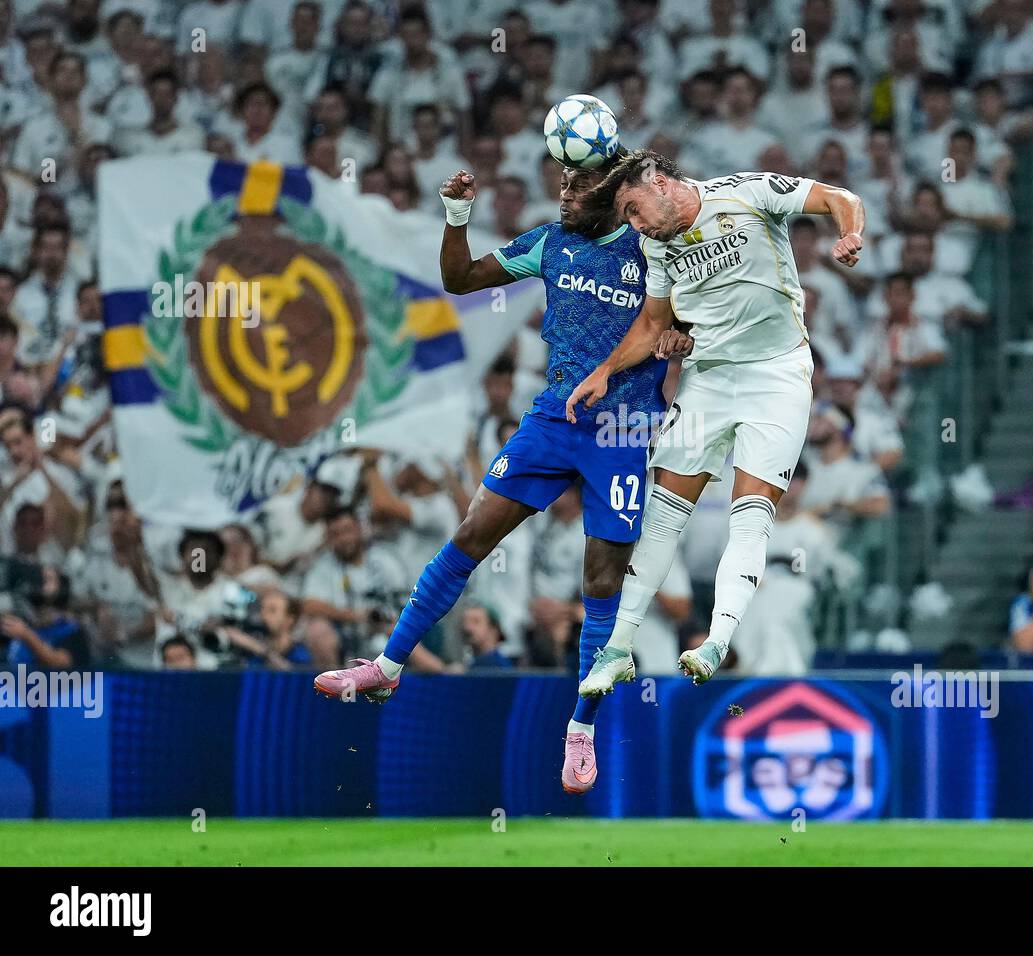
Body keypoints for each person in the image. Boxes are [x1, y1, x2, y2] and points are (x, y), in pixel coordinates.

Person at [315, 151, 679, 797]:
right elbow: (458, 279)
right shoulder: (550, 243)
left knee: (600, 580)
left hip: (622, 432)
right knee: (469, 537)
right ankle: (390, 663)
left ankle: (581, 729)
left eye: (580, 184)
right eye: (563, 183)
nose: (565, 194)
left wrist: (680, 338)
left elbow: (686, 321)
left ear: (614, 192)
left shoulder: (652, 249)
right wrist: (457, 215)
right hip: (553, 418)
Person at [565, 149, 865, 688]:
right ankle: (618, 646)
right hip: (708, 378)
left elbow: (840, 197)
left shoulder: (747, 192)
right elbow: (655, 322)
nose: (634, 225)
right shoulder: (656, 246)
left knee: (750, 514)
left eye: (634, 209)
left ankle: (717, 640)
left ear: (659, 182)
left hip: (776, 376)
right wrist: (607, 368)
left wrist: (849, 235)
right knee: (664, 511)